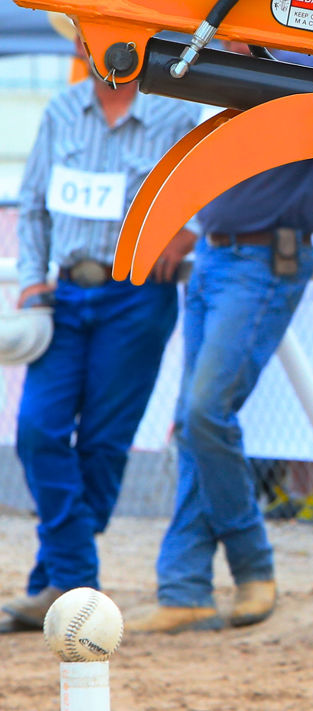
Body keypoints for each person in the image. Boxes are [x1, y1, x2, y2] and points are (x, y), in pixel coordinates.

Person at [129, 42, 313, 633]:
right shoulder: (258, 67)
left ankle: (247, 561)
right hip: (225, 256)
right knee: (198, 419)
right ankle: (185, 584)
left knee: (203, 413)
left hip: (261, 258)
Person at [0, 21, 199, 633]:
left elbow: (208, 190)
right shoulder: (61, 109)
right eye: (83, 37)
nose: (91, 48)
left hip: (136, 297)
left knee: (105, 446)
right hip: (62, 293)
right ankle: (72, 576)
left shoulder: (174, 115)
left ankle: (55, 584)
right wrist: (31, 281)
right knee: (37, 431)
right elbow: (31, 206)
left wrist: (188, 229)